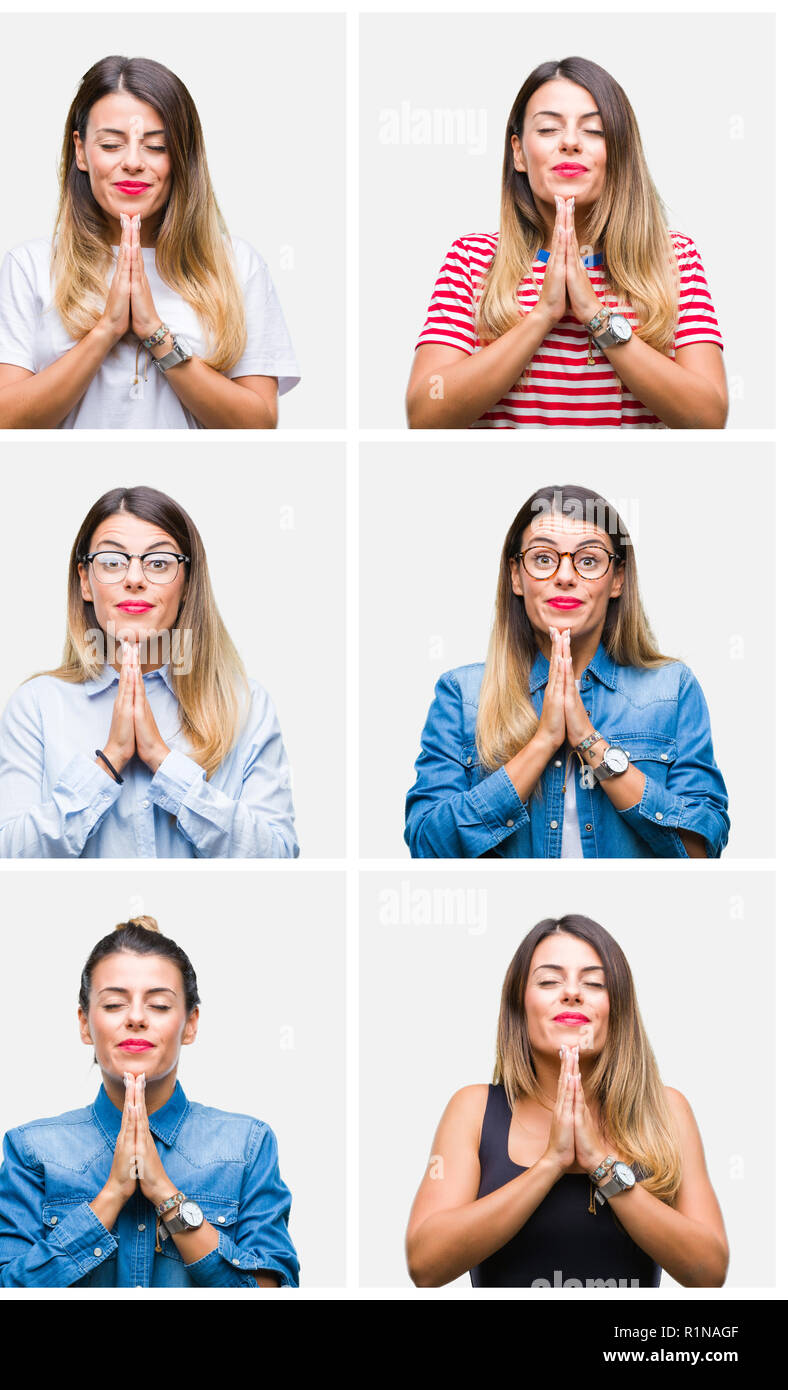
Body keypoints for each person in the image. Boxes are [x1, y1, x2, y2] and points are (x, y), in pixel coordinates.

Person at [404, 483, 728, 858]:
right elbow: (428, 846)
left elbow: (701, 847)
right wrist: (543, 741)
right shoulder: (462, 694)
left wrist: (589, 741)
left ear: (617, 579)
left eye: (588, 560)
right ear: (516, 576)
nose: (565, 576)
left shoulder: (672, 689)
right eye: (543, 559)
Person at [0, 54, 299, 429]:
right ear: (81, 150)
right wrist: (107, 330)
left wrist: (155, 333)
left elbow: (258, 425)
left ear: (181, 155)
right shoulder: (29, 265)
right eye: (111, 145)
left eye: (156, 147)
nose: (132, 162)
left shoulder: (238, 265)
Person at [405, 914, 728, 1287]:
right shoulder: (473, 1109)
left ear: (617, 1009)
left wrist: (600, 1166)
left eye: (593, 982)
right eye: (548, 981)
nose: (572, 993)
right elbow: (425, 1265)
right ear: (519, 1007)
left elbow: (710, 1271)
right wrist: (551, 1163)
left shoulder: (668, 1110)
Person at [0, 485, 298, 857]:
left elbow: (278, 859)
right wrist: (108, 761)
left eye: (158, 563)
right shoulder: (35, 706)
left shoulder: (247, 705)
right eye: (112, 562)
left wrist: (162, 761)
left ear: (188, 582)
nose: (134, 578)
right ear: (85, 580)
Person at [0, 917, 299, 1287]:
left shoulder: (247, 1145)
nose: (135, 1018)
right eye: (114, 1004)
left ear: (190, 1024)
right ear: (85, 1023)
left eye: (159, 1006)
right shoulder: (32, 1149)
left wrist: (166, 1193)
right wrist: (110, 1197)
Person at [407, 56, 725, 428]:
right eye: (548, 130)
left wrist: (594, 314)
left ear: (619, 153)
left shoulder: (674, 258)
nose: (571, 143)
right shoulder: (471, 259)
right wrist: (542, 316)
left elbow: (708, 417)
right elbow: (425, 415)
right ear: (519, 153)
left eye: (594, 131)